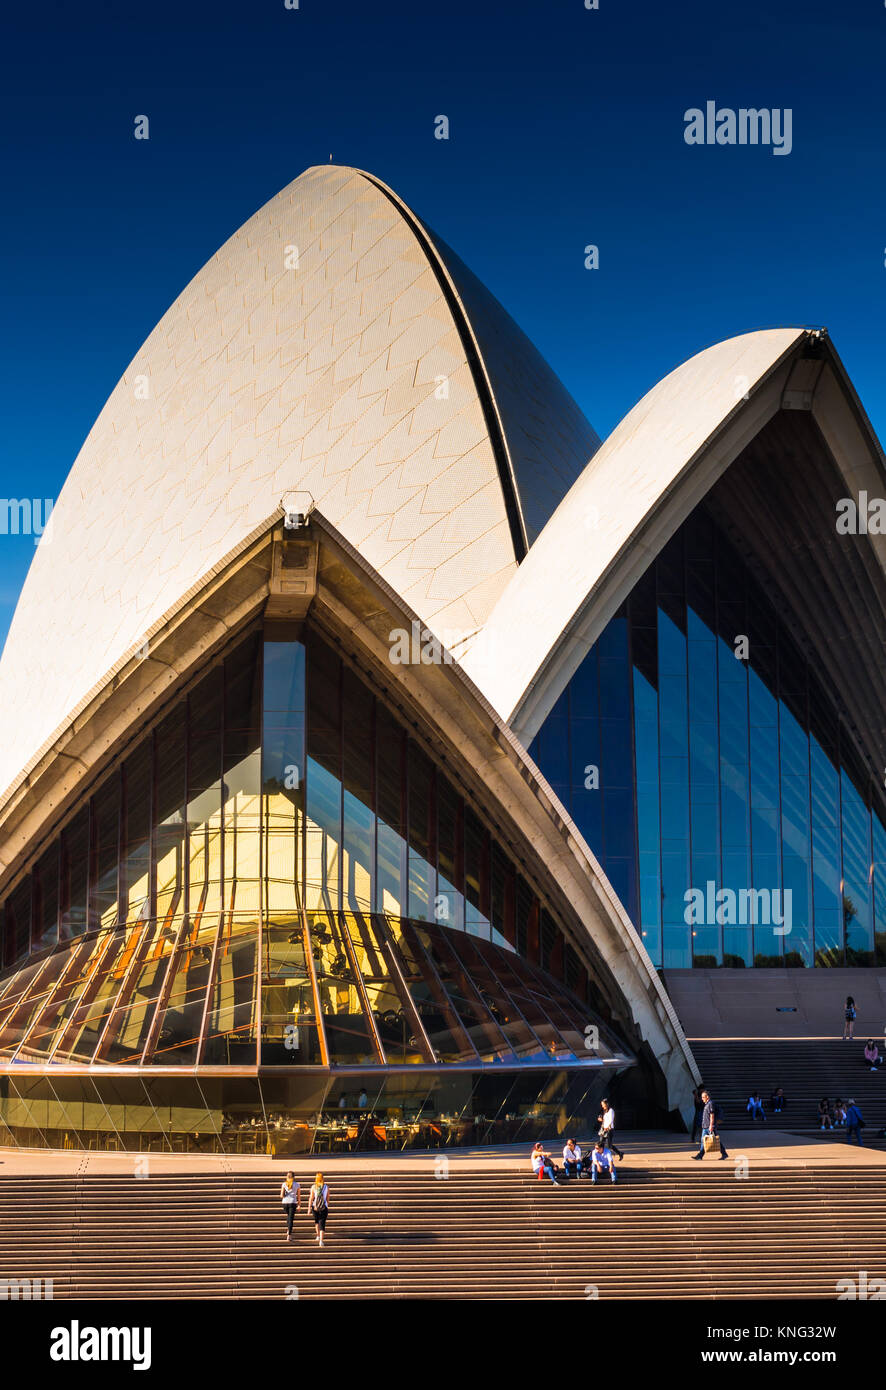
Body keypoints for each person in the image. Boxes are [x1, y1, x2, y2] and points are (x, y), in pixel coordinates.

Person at [692, 1089, 728, 1160]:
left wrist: (711, 1126)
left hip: (709, 1126)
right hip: (706, 1126)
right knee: (706, 1141)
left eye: (703, 1097)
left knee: (714, 1140)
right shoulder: (706, 1104)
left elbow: (712, 1115)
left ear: (707, 1097)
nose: (702, 1099)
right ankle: (700, 1155)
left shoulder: (710, 1104)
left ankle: (723, 1154)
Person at [307, 1171, 330, 1246]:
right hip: (324, 1207)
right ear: (322, 1178)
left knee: (317, 1222)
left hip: (315, 1207)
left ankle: (318, 1236)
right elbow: (327, 1199)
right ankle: (321, 1241)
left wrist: (309, 1208)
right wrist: (326, 1205)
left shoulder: (313, 1187)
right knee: (322, 1224)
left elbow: (311, 1198)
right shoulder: (326, 1187)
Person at [280, 1170, 301, 1242]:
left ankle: (288, 1229)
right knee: (291, 1218)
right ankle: (289, 1235)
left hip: (285, 1202)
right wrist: (299, 1205)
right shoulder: (297, 1184)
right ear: (294, 1177)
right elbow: (298, 1196)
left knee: (289, 1217)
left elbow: (281, 1195)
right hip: (292, 1202)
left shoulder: (284, 1184)